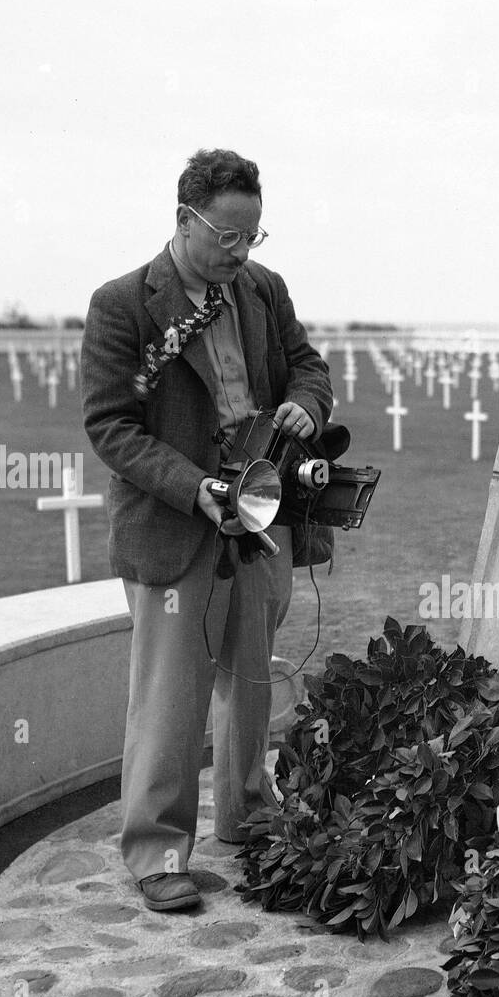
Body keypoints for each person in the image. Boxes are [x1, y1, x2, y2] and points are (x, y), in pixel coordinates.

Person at [81, 147, 333, 912]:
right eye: (226, 237)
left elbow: (308, 368)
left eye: (252, 237)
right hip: (175, 524)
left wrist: (307, 408)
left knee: (251, 676)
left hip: (260, 516)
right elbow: (112, 428)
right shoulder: (123, 304)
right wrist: (198, 491)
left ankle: (248, 815)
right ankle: (157, 850)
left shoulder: (262, 288)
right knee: (169, 694)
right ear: (185, 220)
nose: (239, 253)